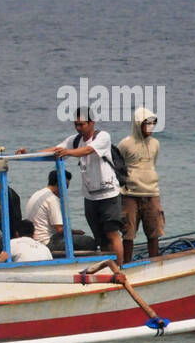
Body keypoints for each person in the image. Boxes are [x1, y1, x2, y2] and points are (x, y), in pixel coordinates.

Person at [34, 106, 124, 263]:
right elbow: (56, 149)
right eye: (76, 124)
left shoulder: (102, 137)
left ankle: (121, 268)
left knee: (112, 233)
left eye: (82, 124)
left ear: (91, 122)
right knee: (99, 236)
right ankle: (108, 267)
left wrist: (67, 152)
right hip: (90, 196)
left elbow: (88, 150)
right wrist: (32, 153)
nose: (78, 128)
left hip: (109, 194)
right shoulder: (75, 140)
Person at [119, 106, 164, 261]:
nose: (151, 127)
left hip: (151, 193)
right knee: (128, 234)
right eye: (147, 123)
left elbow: (153, 164)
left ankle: (154, 262)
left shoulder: (155, 144)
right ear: (138, 124)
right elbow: (119, 166)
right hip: (130, 195)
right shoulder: (125, 144)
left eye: (153, 123)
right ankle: (126, 264)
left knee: (154, 232)